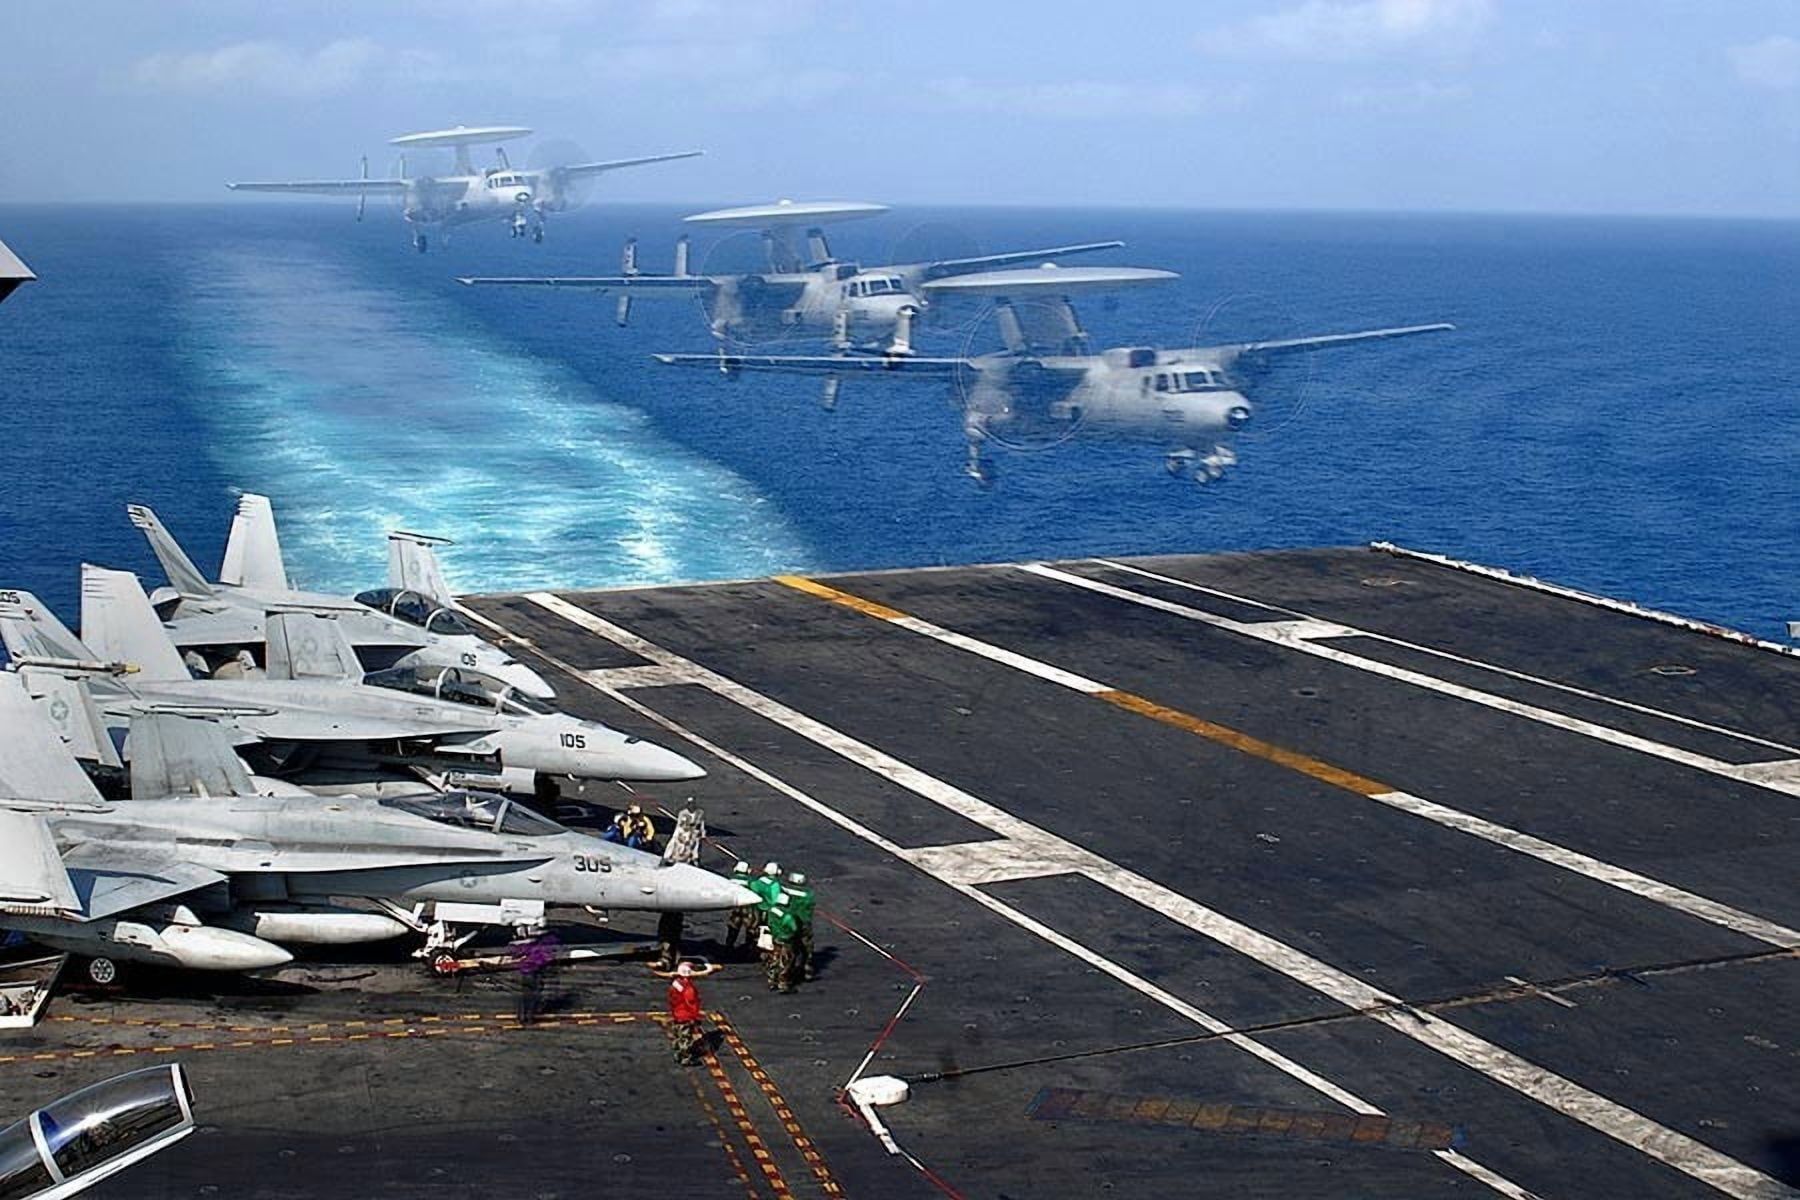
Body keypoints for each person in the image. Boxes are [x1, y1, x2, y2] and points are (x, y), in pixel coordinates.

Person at [666, 961, 705, 1065]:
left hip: (677, 1012)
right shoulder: (689, 988)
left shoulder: (676, 983)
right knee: (686, 1037)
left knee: (678, 1035)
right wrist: (695, 1016)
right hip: (686, 1015)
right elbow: (691, 1003)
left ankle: (678, 1054)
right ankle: (686, 1058)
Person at [762, 893, 800, 994]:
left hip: (775, 937)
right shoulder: (787, 916)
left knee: (774, 958)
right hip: (786, 940)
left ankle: (771, 981)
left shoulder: (772, 910)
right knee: (786, 962)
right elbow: (794, 928)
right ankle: (783, 984)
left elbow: (767, 921)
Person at [784, 871, 817, 982]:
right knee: (806, 947)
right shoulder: (808, 894)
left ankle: (788, 970)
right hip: (804, 922)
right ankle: (806, 968)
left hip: (790, 921)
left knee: (790, 946)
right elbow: (810, 905)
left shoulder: (786, 890)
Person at [723, 860, 757, 954]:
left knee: (734, 926)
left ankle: (729, 945)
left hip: (736, 907)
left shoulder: (731, 880)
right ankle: (749, 947)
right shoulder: (751, 881)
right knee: (750, 927)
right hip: (747, 907)